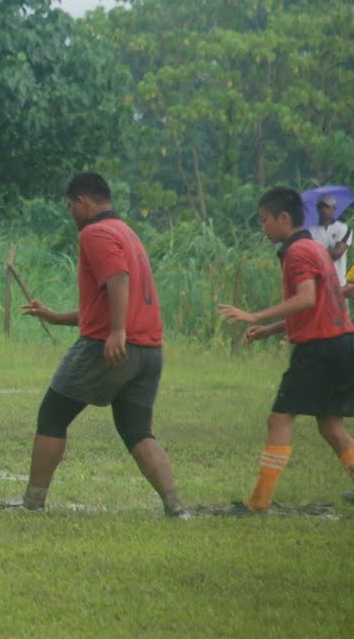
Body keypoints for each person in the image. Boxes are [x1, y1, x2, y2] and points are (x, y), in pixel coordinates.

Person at [20, 173, 189, 518]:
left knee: (52, 415)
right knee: (137, 430)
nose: (71, 214)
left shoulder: (95, 233)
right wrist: (54, 317)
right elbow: (105, 303)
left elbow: (118, 280)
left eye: (70, 206)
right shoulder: (128, 233)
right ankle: (176, 507)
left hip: (111, 347)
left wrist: (116, 333)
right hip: (150, 351)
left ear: (81, 201)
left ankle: (32, 503)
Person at [218, 186, 354, 512]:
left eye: (264, 220)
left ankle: (258, 502)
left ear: (283, 218)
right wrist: (269, 330)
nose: (263, 227)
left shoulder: (297, 253)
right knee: (331, 425)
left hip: (319, 349)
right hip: (341, 343)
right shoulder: (316, 248)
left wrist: (254, 315)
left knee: (279, 419)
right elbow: (320, 303)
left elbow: (306, 298)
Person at [308, 196, 350, 282]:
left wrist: (315, 252)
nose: (323, 209)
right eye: (320, 206)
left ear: (334, 208)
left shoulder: (342, 228)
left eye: (326, 206)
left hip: (338, 282)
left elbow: (337, 253)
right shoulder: (310, 231)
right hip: (318, 282)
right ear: (317, 209)